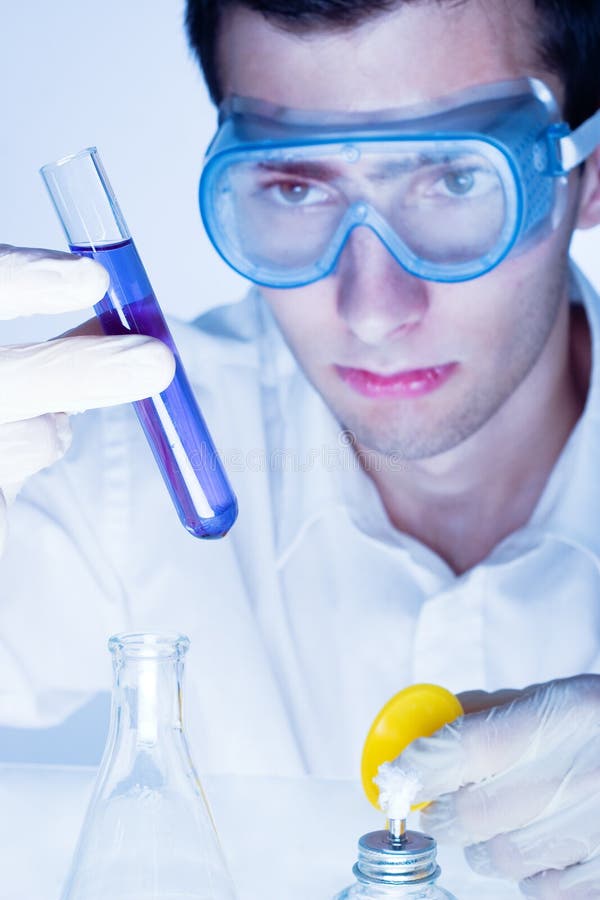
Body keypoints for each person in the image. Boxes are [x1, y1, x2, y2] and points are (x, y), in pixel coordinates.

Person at [1, 0, 600, 894]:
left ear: (587, 176)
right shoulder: (113, 441)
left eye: (455, 179)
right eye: (293, 186)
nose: (372, 308)